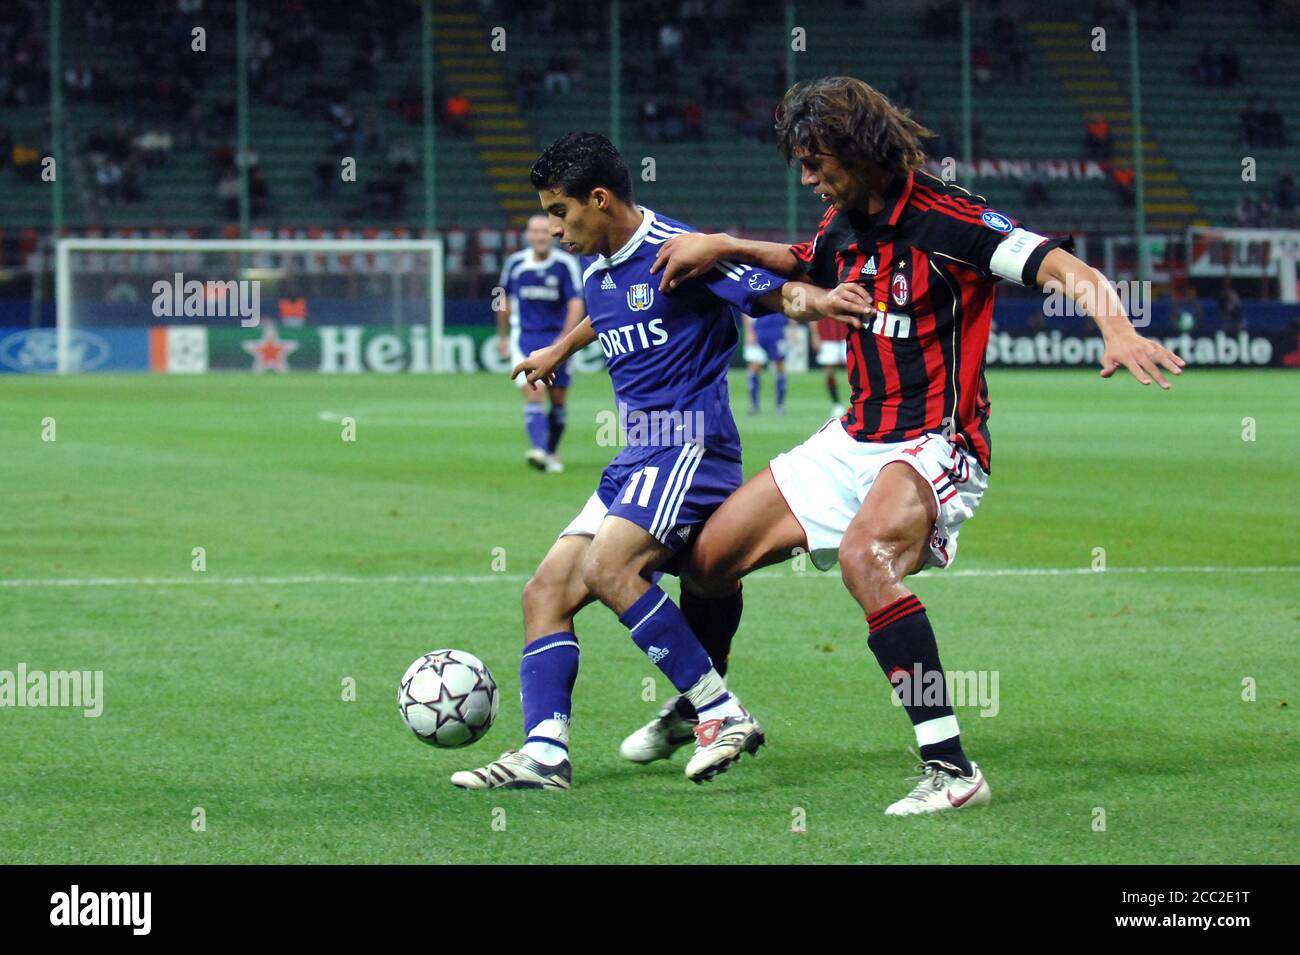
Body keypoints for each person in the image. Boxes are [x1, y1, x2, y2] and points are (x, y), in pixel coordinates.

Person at [617, 77, 1185, 815]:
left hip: (935, 441)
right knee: (708, 559)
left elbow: (1060, 267)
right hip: (856, 432)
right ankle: (704, 704)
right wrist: (724, 243)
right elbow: (804, 259)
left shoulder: (953, 219)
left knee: (866, 559)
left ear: (865, 151)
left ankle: (953, 770)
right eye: (803, 161)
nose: (808, 175)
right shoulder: (844, 217)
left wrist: (1116, 324)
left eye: (819, 161)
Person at [452, 133, 852, 791]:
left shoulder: (682, 252)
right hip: (638, 453)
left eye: (560, 211)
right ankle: (545, 753)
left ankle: (722, 713)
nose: (554, 227)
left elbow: (771, 294)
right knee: (545, 592)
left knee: (609, 567)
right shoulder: (598, 264)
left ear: (600, 198)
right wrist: (559, 348)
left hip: (690, 444)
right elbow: (614, 311)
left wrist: (821, 303)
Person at [496, 214, 585, 473]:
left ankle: (551, 451)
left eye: (544, 232)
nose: (540, 236)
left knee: (558, 398)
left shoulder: (565, 265)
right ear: (527, 235)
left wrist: (565, 340)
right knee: (534, 391)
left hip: (558, 340)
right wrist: (502, 337)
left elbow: (576, 303)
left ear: (553, 234)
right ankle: (539, 449)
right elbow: (504, 300)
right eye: (535, 231)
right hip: (524, 338)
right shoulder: (515, 264)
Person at [742, 311, 788, 415]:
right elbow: (745, 307)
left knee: (780, 366)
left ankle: (780, 405)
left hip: (777, 329)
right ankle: (754, 405)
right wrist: (749, 331)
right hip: (758, 329)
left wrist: (793, 328)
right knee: (754, 367)